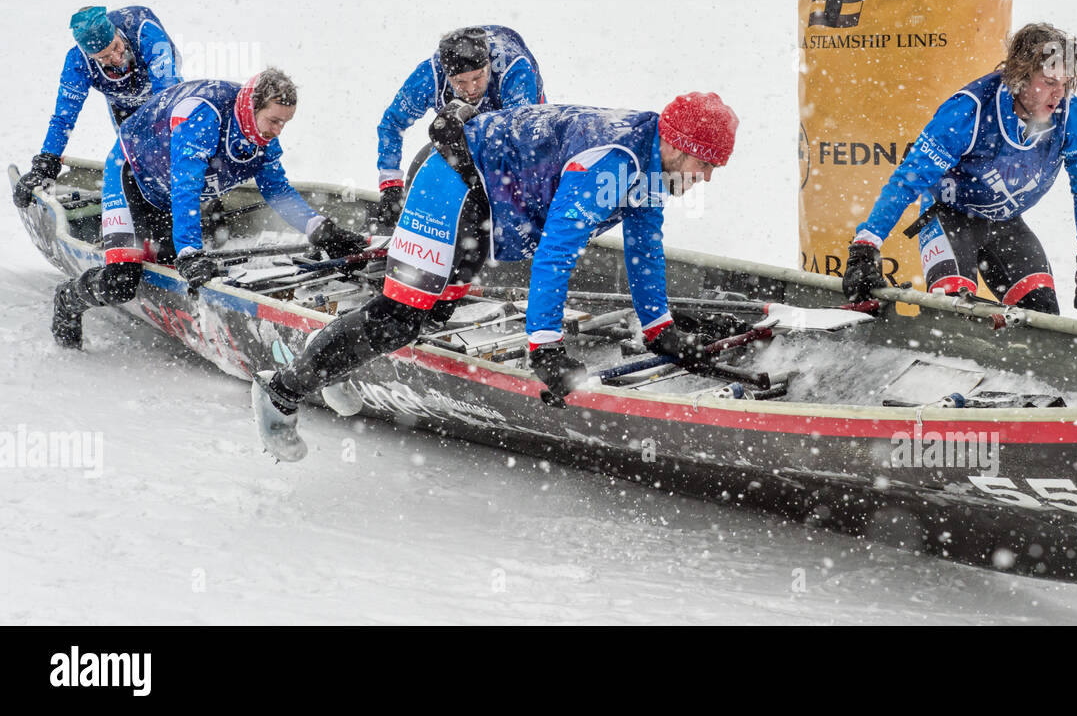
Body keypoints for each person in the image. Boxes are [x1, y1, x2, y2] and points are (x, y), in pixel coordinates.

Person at [252, 92, 740, 462]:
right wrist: (545, 347)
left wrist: (661, 330)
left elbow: (644, 246)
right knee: (402, 315)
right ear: (678, 145)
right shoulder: (612, 162)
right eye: (707, 164)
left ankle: (336, 362)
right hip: (454, 178)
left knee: (434, 307)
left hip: (485, 193)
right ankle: (282, 391)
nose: (709, 178)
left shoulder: (653, 166)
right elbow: (556, 252)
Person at [51, 69, 369, 349]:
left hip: (166, 196)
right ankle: (69, 297)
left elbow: (278, 191)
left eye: (285, 123)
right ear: (252, 107)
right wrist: (189, 250)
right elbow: (186, 187)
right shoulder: (204, 116)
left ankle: (159, 260)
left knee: (168, 269)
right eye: (274, 120)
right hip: (130, 176)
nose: (277, 131)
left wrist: (321, 230)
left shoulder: (262, 139)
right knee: (121, 281)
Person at [842, 22, 1077, 322]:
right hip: (951, 218)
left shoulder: (1072, 117)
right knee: (953, 316)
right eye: (1048, 81)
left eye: (1066, 83)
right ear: (1020, 76)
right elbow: (909, 179)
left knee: (1043, 321)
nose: (1059, 94)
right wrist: (865, 248)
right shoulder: (969, 109)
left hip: (1006, 223)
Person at [374, 26, 545, 227]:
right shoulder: (429, 77)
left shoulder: (515, 72)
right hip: (460, 111)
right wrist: (390, 184)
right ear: (446, 74)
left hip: (514, 105)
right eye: (460, 81)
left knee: (525, 152)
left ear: (488, 65)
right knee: (452, 137)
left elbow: (520, 140)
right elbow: (392, 123)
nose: (471, 89)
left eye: (477, 77)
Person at [13, 5, 182, 209]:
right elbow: (63, 117)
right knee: (135, 160)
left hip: (164, 93)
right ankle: (145, 207)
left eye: (116, 47)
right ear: (91, 56)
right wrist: (46, 162)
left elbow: (167, 97)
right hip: (123, 104)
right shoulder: (77, 63)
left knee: (171, 146)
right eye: (104, 57)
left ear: (117, 33)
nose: (116, 58)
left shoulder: (146, 32)